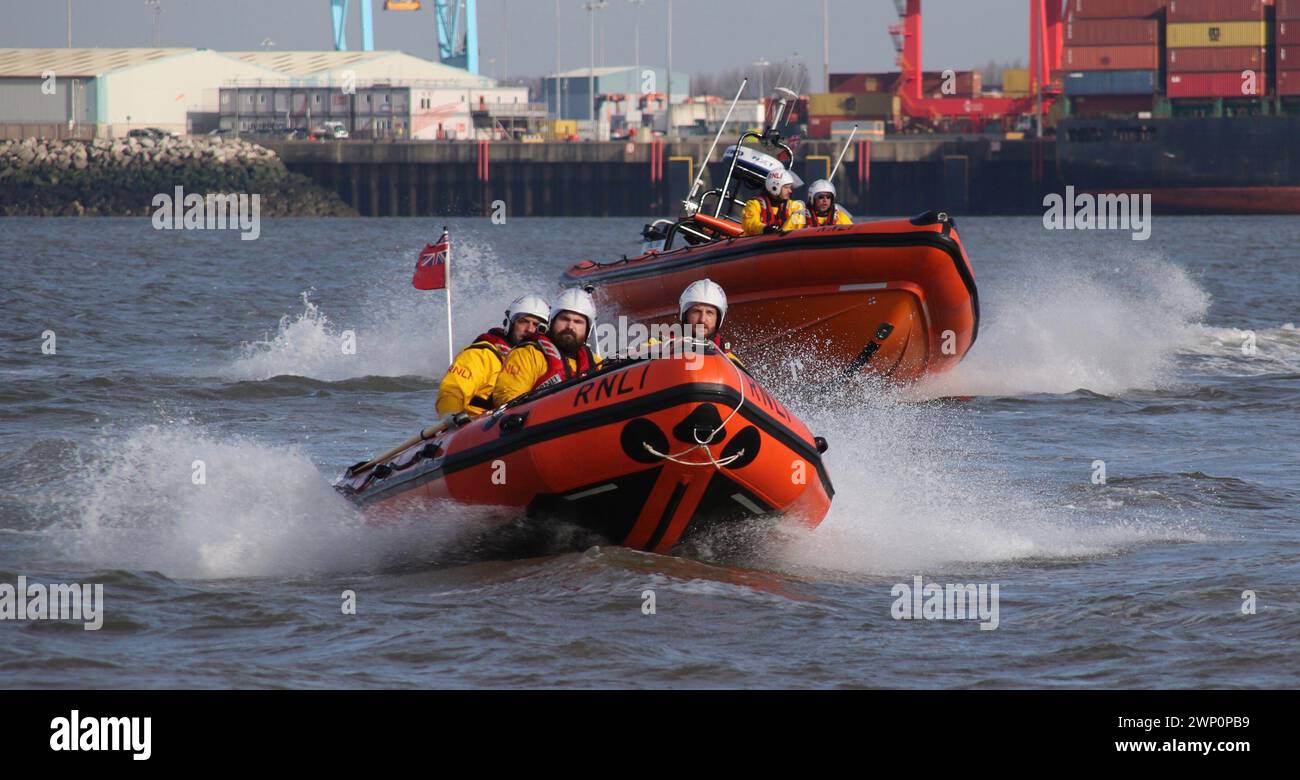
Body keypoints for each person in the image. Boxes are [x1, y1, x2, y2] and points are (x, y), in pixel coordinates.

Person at [435, 294, 549, 417]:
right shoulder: (482, 355)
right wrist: (450, 416)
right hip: (478, 426)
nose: (530, 329)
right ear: (509, 323)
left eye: (537, 325)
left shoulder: (541, 360)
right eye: (523, 322)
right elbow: (452, 391)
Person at [491, 288, 602, 406]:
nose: (570, 326)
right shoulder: (528, 354)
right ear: (552, 321)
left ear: (588, 329)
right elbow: (507, 396)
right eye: (564, 319)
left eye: (578, 322)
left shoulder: (595, 362)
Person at [642, 279, 744, 367]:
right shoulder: (661, 342)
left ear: (718, 319)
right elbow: (635, 355)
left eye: (710, 313)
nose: (702, 320)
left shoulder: (727, 356)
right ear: (685, 314)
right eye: (696, 311)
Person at [741, 167, 805, 236]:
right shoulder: (754, 204)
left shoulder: (795, 207)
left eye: (790, 188)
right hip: (759, 244)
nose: (790, 191)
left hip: (783, 243)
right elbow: (750, 223)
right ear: (774, 187)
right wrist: (765, 228)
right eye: (786, 187)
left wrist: (781, 233)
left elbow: (797, 223)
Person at [784, 178, 853, 230]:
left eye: (828, 197)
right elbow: (784, 235)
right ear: (812, 199)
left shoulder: (841, 217)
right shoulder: (798, 217)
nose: (825, 200)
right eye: (820, 197)